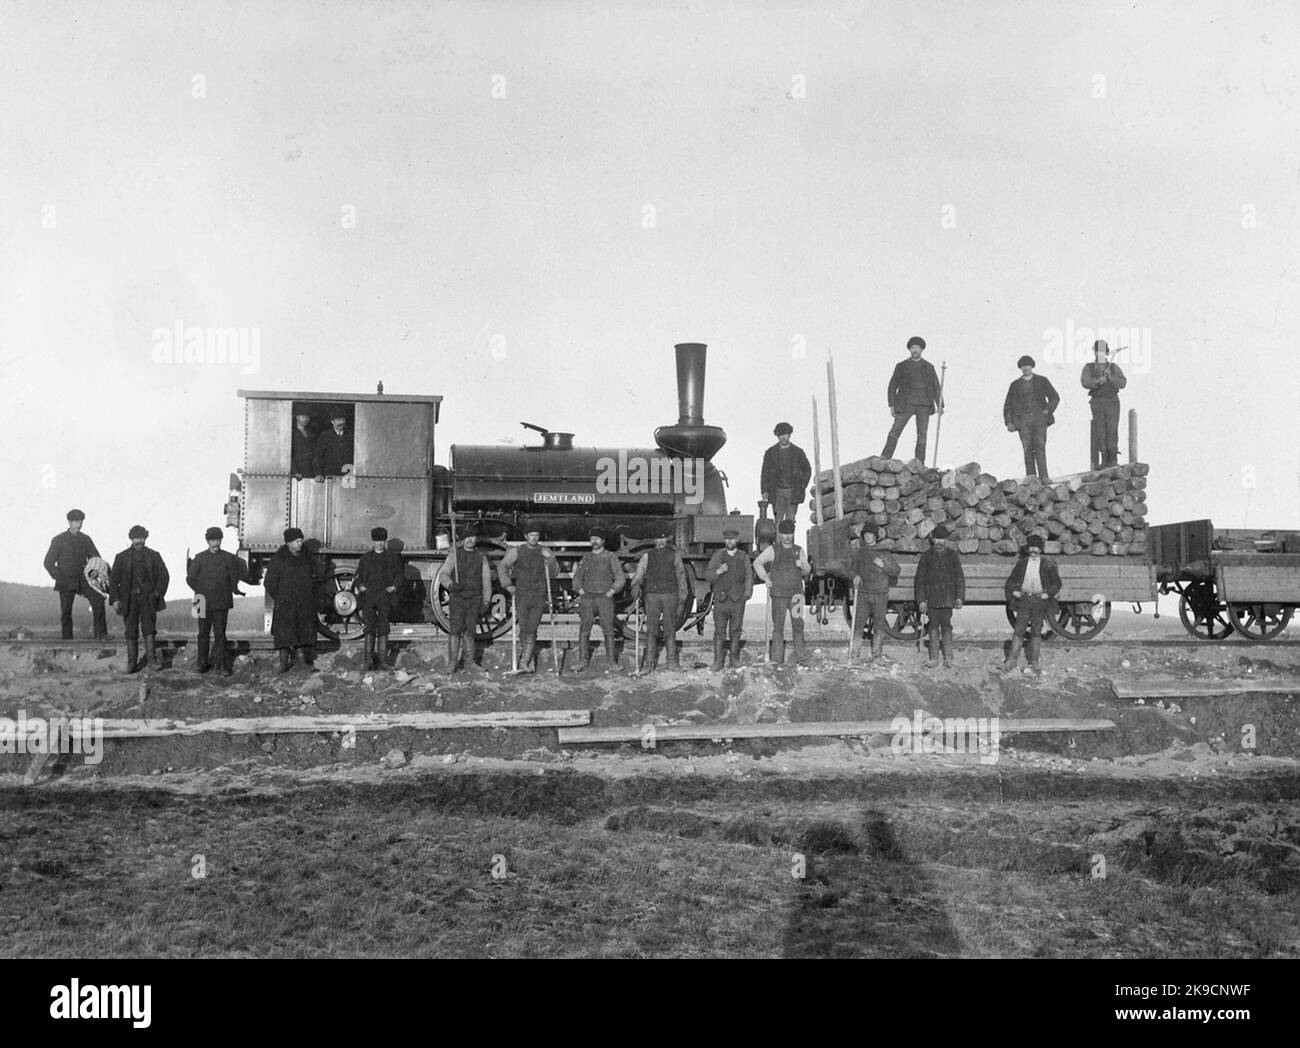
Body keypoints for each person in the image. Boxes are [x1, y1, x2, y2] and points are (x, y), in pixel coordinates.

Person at [186, 526, 251, 675]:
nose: (216, 543)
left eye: (218, 540)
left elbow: (233, 579)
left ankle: (221, 665)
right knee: (202, 633)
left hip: (221, 600)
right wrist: (202, 590)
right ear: (207, 541)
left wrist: (232, 589)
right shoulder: (199, 558)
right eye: (213, 540)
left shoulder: (228, 558)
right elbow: (190, 579)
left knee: (220, 633)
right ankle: (201, 663)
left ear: (221, 540)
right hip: (200, 600)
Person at [498, 521, 560, 673]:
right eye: (531, 535)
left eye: (536, 535)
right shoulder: (517, 551)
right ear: (526, 536)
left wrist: (551, 559)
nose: (534, 538)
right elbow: (502, 566)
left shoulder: (545, 551)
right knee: (524, 628)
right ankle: (527, 659)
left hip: (539, 594)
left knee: (532, 628)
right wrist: (508, 585)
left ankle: (525, 661)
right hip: (522, 594)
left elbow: (554, 573)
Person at [109, 525, 170, 674]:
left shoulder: (153, 555)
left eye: (142, 538)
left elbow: (164, 576)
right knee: (130, 630)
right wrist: (115, 599)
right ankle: (132, 664)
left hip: (148, 598)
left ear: (145, 538)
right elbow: (113, 580)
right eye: (136, 538)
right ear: (131, 539)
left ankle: (152, 661)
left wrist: (157, 593)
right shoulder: (121, 557)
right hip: (128, 599)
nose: (139, 541)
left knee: (149, 629)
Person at [628, 527, 689, 673]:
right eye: (658, 539)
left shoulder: (675, 556)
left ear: (667, 539)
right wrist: (635, 586)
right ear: (654, 540)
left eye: (663, 539)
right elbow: (639, 575)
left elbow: (681, 578)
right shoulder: (647, 557)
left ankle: (672, 663)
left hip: (670, 595)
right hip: (652, 596)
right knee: (651, 630)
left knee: (670, 629)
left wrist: (682, 598)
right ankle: (649, 664)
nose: (660, 541)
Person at [435, 526, 494, 674]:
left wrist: (486, 601)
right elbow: (443, 575)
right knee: (455, 631)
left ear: (476, 539)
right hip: (458, 599)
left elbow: (486, 581)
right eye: (467, 537)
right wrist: (451, 585)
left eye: (472, 537)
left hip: (474, 599)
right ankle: (452, 663)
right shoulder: (454, 555)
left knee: (470, 631)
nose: (470, 540)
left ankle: (470, 662)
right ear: (462, 539)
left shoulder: (481, 557)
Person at [753, 519, 812, 664]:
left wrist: (803, 565)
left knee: (798, 625)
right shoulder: (773, 549)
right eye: (785, 533)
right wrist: (765, 577)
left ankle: (801, 657)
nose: (787, 537)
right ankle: (777, 659)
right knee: (778, 627)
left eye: (790, 533)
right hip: (779, 595)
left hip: (796, 595)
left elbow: (807, 571)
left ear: (793, 534)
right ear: (780, 534)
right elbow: (757, 562)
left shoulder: (799, 550)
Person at [43, 509, 108, 640]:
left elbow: (95, 558)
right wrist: (59, 577)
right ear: (69, 522)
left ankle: (101, 634)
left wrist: (94, 571)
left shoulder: (86, 539)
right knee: (66, 611)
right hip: (65, 580)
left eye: (81, 522)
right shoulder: (58, 540)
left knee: (98, 599)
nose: (79, 525)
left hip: (84, 579)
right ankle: (67, 639)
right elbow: (48, 562)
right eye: (76, 522)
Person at [263, 527, 321, 672]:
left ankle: (302, 662)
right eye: (297, 541)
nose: (300, 544)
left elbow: (316, 574)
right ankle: (283, 664)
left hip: (303, 601)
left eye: (301, 540)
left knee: (302, 631)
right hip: (285, 602)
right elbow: (269, 582)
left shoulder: (307, 557)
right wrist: (281, 597)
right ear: (289, 543)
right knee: (284, 634)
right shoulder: (279, 559)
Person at [1002, 534, 1062, 675]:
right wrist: (1015, 591)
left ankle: (1034, 662)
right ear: (1028, 549)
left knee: (1036, 632)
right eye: (1031, 547)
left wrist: (1048, 593)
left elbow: (1057, 583)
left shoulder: (1047, 564)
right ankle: (1011, 660)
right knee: (1018, 631)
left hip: (1039, 602)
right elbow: (1010, 581)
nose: (1033, 549)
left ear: (1040, 549)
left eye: (1036, 547)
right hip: (1024, 600)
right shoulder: (1022, 563)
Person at [571, 528, 627, 673]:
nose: (594, 541)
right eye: (592, 539)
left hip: (604, 598)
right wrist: (581, 591)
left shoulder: (610, 557)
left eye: (597, 538)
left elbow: (620, 577)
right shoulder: (586, 557)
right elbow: (577, 577)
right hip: (588, 598)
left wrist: (611, 592)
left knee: (608, 629)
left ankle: (611, 662)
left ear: (603, 541)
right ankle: (582, 661)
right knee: (584, 629)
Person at [881, 336, 944, 462]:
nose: (915, 350)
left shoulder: (929, 367)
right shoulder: (901, 366)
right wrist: (891, 405)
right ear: (909, 350)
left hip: (924, 405)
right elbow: (892, 385)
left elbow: (936, 387)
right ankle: (884, 457)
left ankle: (919, 463)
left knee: (922, 436)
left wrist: (940, 404)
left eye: (918, 348)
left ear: (922, 350)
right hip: (906, 404)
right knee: (895, 430)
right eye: (913, 348)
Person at [914, 524, 964, 669]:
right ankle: (934, 658)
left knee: (947, 627)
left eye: (942, 539)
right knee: (933, 628)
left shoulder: (953, 556)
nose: (939, 542)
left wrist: (959, 597)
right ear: (933, 540)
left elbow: (959, 578)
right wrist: (921, 600)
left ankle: (949, 658)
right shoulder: (926, 557)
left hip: (948, 599)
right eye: (937, 539)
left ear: (946, 541)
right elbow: (920, 581)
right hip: (932, 599)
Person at [1003, 355, 1060, 480]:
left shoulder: (1042, 380)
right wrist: (1009, 422)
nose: (1025, 368)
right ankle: (1031, 480)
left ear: (1032, 366)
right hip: (1023, 421)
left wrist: (1047, 410)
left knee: (1040, 446)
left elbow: (1055, 397)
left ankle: (1044, 477)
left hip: (1040, 419)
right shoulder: (1015, 385)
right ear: (1020, 367)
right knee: (1027, 448)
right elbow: (1008, 405)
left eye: (1028, 365)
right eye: (1023, 366)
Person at [850, 525, 901, 663]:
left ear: (875, 536)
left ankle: (876, 656)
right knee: (858, 625)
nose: (868, 537)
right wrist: (855, 576)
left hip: (880, 595)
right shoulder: (860, 553)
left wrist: (883, 566)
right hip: (863, 594)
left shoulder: (884, 553)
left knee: (879, 626)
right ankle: (854, 655)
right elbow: (852, 569)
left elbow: (896, 571)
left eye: (870, 534)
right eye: (865, 534)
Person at [356, 526, 404, 671]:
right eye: (377, 541)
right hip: (369, 597)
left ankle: (383, 661)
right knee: (369, 628)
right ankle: (367, 661)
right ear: (373, 541)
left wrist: (393, 587)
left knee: (383, 628)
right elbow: (358, 576)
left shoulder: (392, 557)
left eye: (382, 540)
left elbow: (399, 576)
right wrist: (361, 587)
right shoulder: (366, 558)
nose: (380, 543)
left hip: (384, 597)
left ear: (385, 541)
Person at [705, 526, 752, 670]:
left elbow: (749, 576)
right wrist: (719, 571)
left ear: (737, 540)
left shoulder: (743, 556)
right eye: (727, 539)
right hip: (721, 600)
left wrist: (747, 594)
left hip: (738, 600)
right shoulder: (718, 556)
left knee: (736, 631)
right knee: (719, 632)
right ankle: (718, 662)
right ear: (724, 540)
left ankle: (734, 660)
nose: (729, 541)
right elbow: (708, 576)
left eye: (732, 539)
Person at [1080, 339, 1128, 468]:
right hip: (1097, 402)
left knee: (1112, 430)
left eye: (1102, 351)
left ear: (1106, 352)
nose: (1099, 353)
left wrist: (1110, 376)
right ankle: (1104, 460)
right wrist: (1097, 381)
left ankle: (1113, 460)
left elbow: (1122, 383)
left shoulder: (1113, 367)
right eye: (1097, 351)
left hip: (1112, 401)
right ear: (1094, 352)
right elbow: (1085, 382)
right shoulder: (1089, 367)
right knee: (1100, 431)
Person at [760, 423, 812, 524]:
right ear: (777, 436)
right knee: (778, 521)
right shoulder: (770, 453)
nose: (783, 437)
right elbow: (764, 473)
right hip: (777, 492)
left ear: (790, 435)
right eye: (781, 435)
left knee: (790, 521)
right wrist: (765, 491)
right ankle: (779, 540)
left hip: (793, 492)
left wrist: (802, 485)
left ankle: (790, 540)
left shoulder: (798, 452)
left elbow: (807, 469)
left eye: (786, 434)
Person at [313, 408, 354, 480]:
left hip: (347, 476)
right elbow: (318, 457)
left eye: (343, 420)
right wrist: (318, 474)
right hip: (329, 475)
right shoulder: (324, 436)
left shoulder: (351, 436)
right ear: (332, 421)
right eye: (338, 420)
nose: (341, 422)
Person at [290, 412, 316, 477]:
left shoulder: (311, 433)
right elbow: (288, 455)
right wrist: (295, 471)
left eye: (307, 417)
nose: (305, 419)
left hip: (310, 472)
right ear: (297, 417)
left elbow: (315, 455)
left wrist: (317, 473)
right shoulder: (291, 432)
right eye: (303, 417)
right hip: (296, 474)